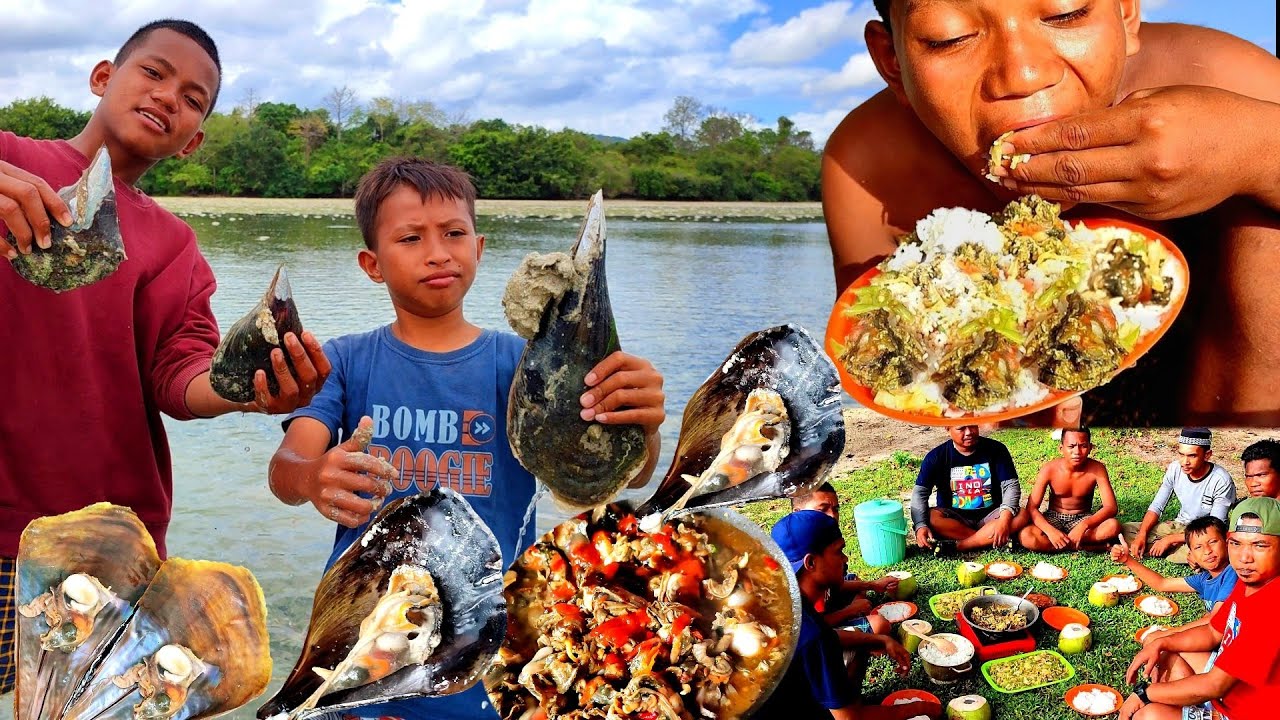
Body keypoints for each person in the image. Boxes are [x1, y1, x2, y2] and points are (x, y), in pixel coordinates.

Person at [266, 157, 666, 720]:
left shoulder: (521, 366)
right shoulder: (344, 361)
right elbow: (288, 466)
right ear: (371, 264)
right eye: (410, 238)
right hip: (363, 624)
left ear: (478, 248)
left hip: (491, 630)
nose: (437, 252)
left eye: (453, 234)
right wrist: (313, 477)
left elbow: (623, 474)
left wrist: (642, 425)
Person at [0, 20, 329, 694]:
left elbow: (180, 378)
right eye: (152, 72)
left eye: (193, 98)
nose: (167, 96)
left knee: (72, 708)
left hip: (104, 545)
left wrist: (249, 386)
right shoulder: (10, 157)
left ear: (194, 139)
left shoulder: (174, 246)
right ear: (102, 77)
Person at [823, 0, 1280, 426]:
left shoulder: (1230, 81)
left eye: (1067, 13)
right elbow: (881, 371)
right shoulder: (869, 165)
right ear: (892, 62)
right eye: (950, 38)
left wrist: (1261, 153)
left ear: (1124, 11)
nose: (1022, 74)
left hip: (1233, 407)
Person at [760, 511, 940, 720]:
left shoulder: (780, 598)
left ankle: (843, 699)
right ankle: (842, 704)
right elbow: (850, 719)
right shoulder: (810, 631)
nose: (845, 559)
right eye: (839, 551)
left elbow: (828, 637)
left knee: (857, 643)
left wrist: (878, 638)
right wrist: (915, 709)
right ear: (810, 563)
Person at [1118, 497, 1280, 720]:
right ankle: (1189, 700)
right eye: (1236, 543)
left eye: (1260, 545)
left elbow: (1215, 684)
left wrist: (1145, 693)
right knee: (1165, 653)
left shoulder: (1271, 608)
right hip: (1231, 691)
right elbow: (1213, 631)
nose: (1244, 558)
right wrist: (1161, 641)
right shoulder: (1247, 584)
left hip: (1245, 710)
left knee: (1148, 715)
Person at [791, 482, 900, 634]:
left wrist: (873, 584)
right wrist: (849, 611)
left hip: (825, 603)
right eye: (822, 510)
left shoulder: (824, 536)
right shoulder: (798, 559)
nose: (832, 516)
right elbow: (808, 627)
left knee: (853, 578)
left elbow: (837, 583)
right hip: (813, 630)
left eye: (835, 509)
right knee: (879, 624)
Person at [1111, 516, 1237, 640]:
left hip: (1230, 645)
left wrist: (1170, 633)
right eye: (1198, 547)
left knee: (1160, 644)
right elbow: (1162, 584)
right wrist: (1127, 560)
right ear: (1191, 554)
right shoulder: (1204, 579)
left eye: (1213, 542)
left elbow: (1215, 618)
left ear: (1227, 543)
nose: (1207, 551)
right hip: (1218, 638)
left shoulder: (1232, 573)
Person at [1123, 429, 1236, 564]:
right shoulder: (1175, 469)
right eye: (1181, 454)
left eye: (1192, 456)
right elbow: (1157, 506)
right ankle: (1165, 550)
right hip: (1178, 526)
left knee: (1207, 552)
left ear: (1207, 455)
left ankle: (1167, 549)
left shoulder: (1221, 480)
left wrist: (1169, 539)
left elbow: (1215, 528)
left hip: (1203, 534)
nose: (1184, 462)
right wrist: (1142, 535)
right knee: (1124, 529)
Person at [911, 425, 1020, 553]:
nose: (969, 432)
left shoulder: (996, 449)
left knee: (1022, 514)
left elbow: (1011, 486)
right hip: (955, 521)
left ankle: (963, 545)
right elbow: (920, 493)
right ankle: (988, 538)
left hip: (991, 517)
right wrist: (920, 526)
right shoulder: (936, 456)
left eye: (973, 426)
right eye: (961, 428)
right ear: (947, 429)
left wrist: (1004, 520)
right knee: (932, 518)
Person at [1017, 427, 1120, 552]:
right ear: (1061, 449)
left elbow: (1111, 507)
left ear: (1090, 448)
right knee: (1026, 536)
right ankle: (1085, 546)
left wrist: (1084, 525)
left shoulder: (1097, 469)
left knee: (1113, 526)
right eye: (1071, 446)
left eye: (1083, 446)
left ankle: (1062, 545)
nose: (1077, 451)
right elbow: (1031, 507)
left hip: (1082, 517)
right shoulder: (1049, 469)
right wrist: (1050, 531)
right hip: (1053, 517)